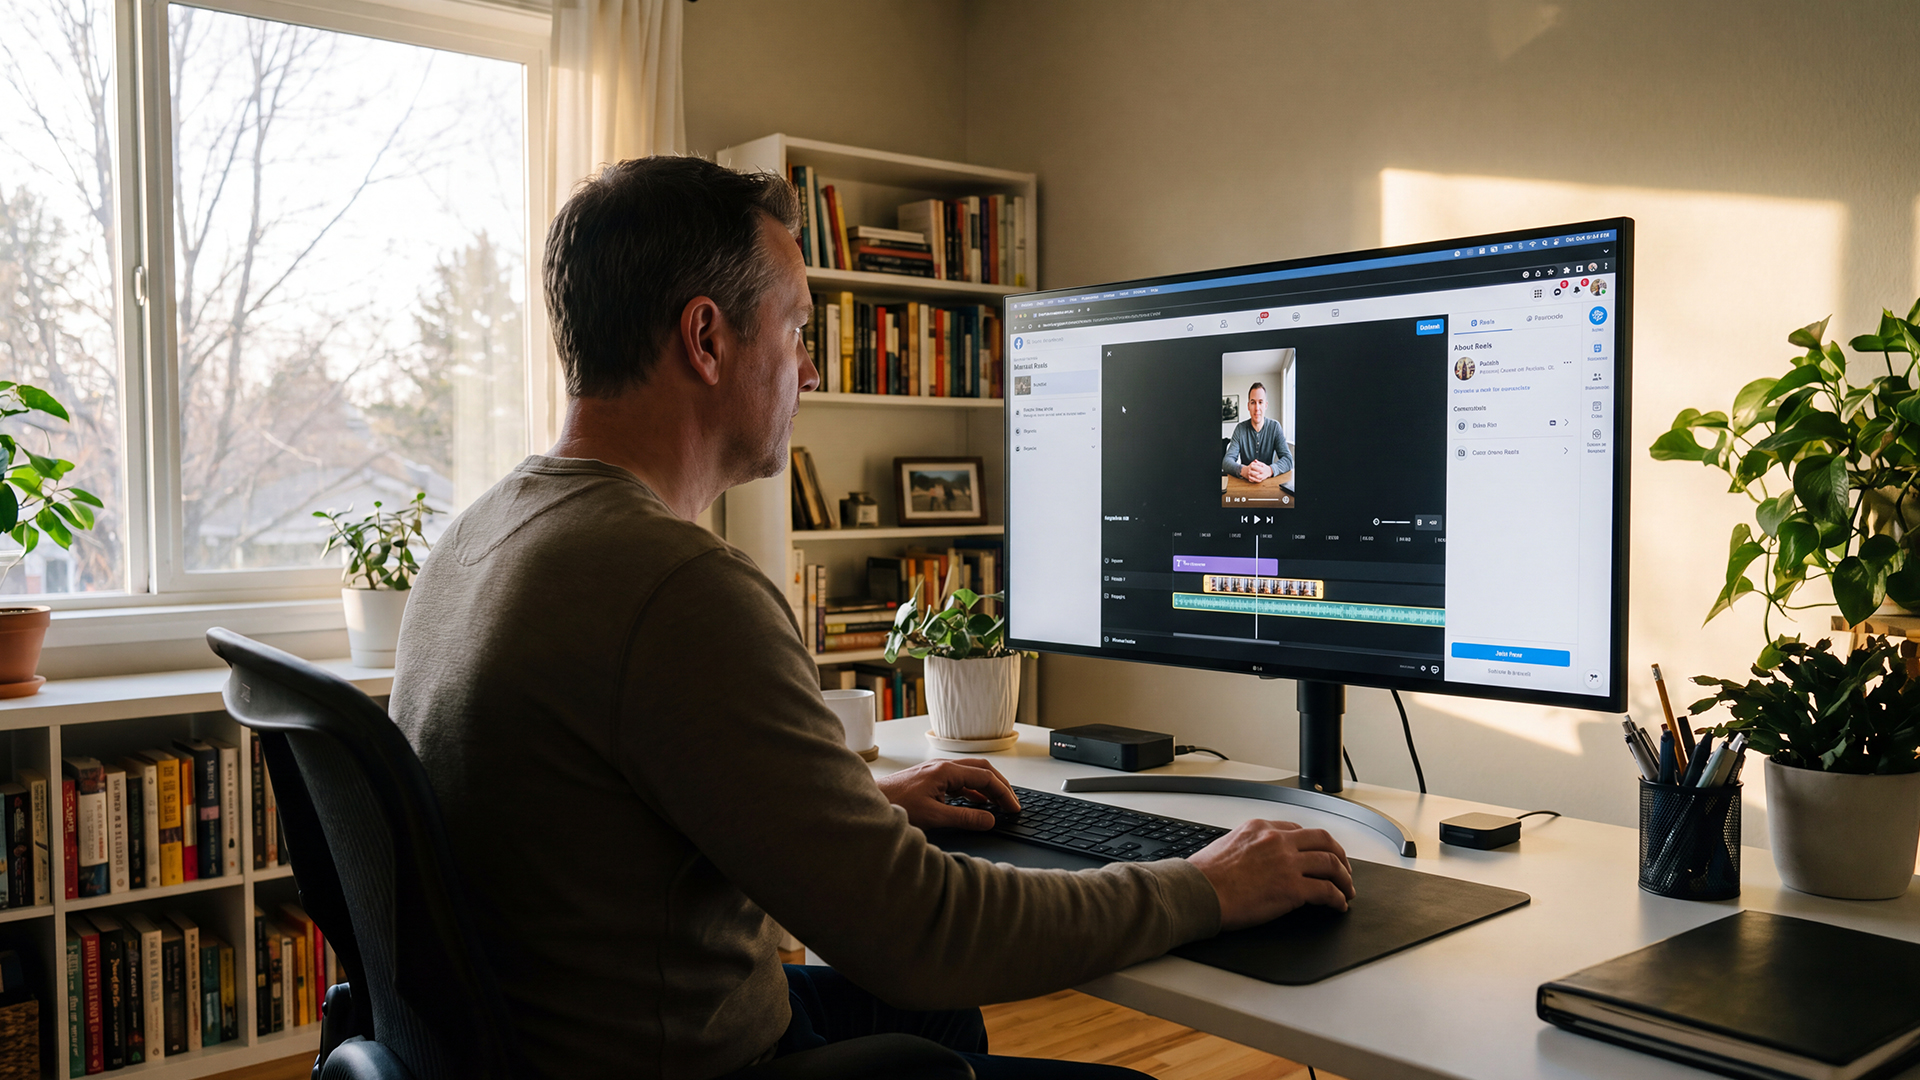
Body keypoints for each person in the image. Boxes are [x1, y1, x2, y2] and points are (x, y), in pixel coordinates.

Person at [392, 156, 1354, 1080]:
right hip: (695, 1062)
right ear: (706, 338)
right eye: (798, 331)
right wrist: (1206, 887)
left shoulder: (482, 535)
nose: (807, 370)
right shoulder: (677, 586)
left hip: (550, 1044)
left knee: (930, 1026)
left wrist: (859, 812)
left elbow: (601, 828)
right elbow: (922, 933)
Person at [1222, 382, 1293, 482]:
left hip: (1268, 483)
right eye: (1253, 402)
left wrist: (1269, 470)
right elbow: (1226, 462)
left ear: (1266, 405)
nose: (1257, 408)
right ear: (1248, 406)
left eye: (1260, 402)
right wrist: (1244, 470)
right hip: (1246, 483)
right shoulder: (1240, 429)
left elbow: (1288, 459)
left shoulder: (1275, 427)